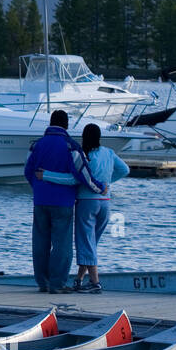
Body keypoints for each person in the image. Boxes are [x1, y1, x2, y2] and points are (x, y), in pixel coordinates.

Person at [41, 122, 129, 293]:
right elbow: (124, 169)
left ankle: (95, 283)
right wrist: (107, 183)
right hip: (106, 201)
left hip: (87, 202)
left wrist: (46, 175)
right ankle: (80, 279)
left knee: (85, 243)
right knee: (91, 244)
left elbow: (73, 179)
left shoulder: (84, 155)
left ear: (84, 137)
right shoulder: (109, 153)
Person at [24, 110, 104, 293]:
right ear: (66, 125)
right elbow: (83, 174)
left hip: (40, 201)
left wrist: (38, 187)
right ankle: (57, 284)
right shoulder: (71, 146)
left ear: (50, 123)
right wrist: (99, 187)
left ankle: (42, 283)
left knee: (40, 242)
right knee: (62, 244)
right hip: (63, 202)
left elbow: (28, 171)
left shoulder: (36, 145)